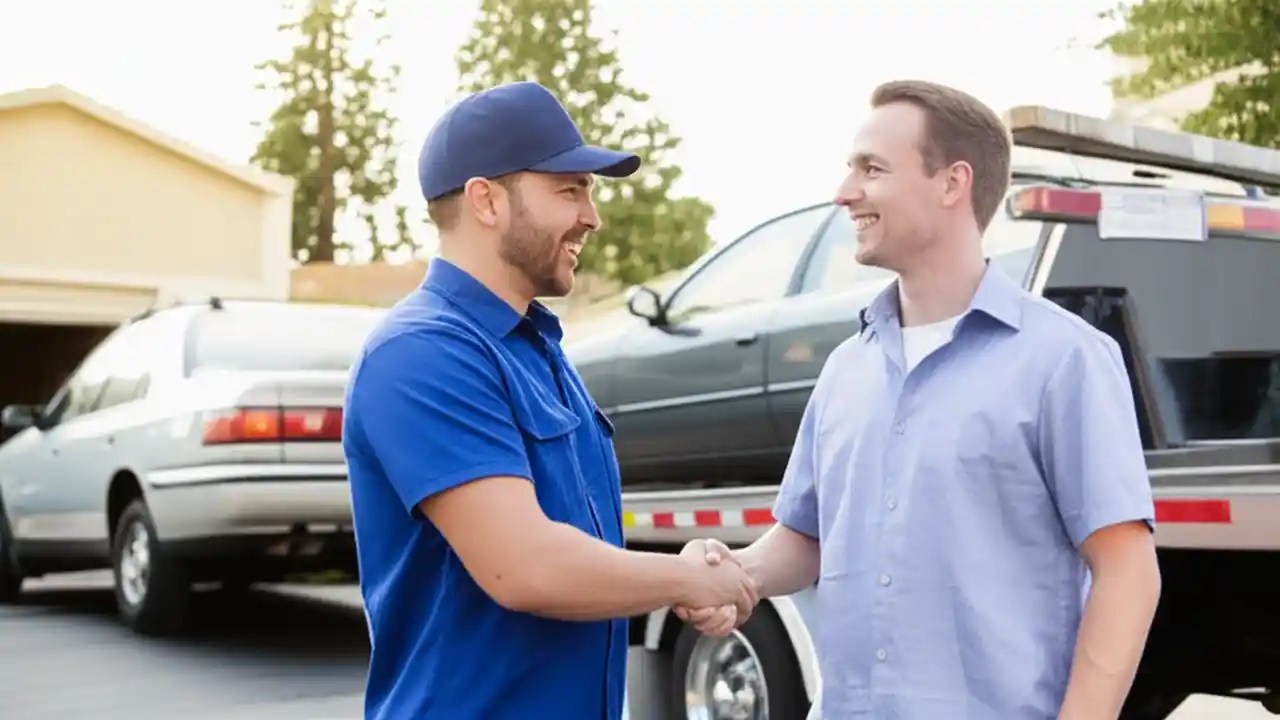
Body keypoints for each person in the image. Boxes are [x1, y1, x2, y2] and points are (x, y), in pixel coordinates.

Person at [677, 80, 1162, 719]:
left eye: (871, 169)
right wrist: (734, 574)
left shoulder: (1065, 360)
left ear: (951, 183)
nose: (843, 191)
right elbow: (808, 538)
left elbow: (1128, 573)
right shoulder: (847, 367)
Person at [342, 81, 757, 720]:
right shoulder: (420, 352)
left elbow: (575, 549)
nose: (592, 215)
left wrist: (683, 571)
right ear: (486, 201)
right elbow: (525, 566)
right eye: (569, 190)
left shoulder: (536, 348)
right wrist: (684, 578)